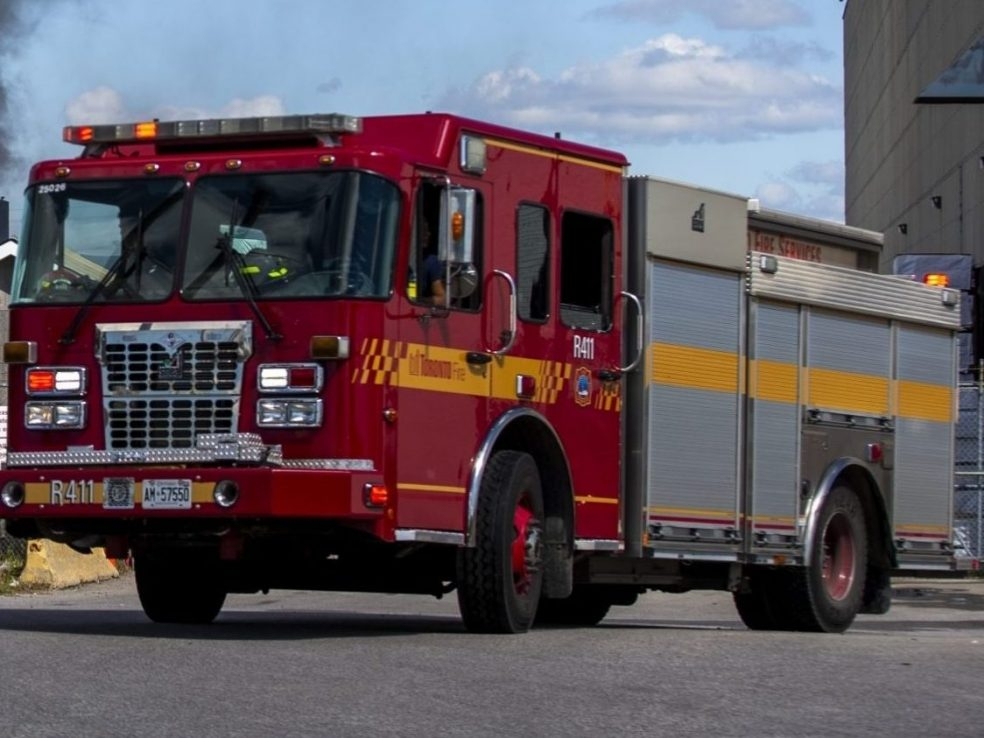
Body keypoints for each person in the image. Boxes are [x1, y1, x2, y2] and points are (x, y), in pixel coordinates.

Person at [417, 218, 445, 304]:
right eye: (424, 231)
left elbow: (442, 298)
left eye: (427, 230)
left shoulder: (431, 262)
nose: (428, 234)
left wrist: (417, 301)